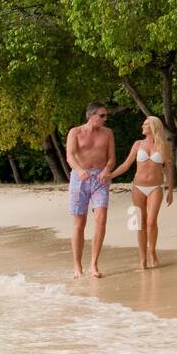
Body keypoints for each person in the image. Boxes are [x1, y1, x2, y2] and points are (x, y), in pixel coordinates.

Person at [105, 115, 174, 269]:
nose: (142, 126)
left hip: (156, 187)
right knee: (140, 224)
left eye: (145, 124)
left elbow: (168, 169)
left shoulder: (164, 146)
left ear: (153, 127)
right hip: (138, 188)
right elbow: (126, 165)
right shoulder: (138, 144)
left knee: (151, 222)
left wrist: (170, 190)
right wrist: (110, 176)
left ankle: (152, 253)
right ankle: (142, 259)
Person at [67, 102, 115, 278]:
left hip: (101, 179)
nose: (105, 119)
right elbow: (70, 156)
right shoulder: (75, 132)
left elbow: (111, 158)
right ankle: (77, 267)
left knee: (101, 219)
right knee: (79, 224)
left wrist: (107, 169)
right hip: (79, 179)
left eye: (105, 116)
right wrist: (80, 171)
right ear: (91, 115)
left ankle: (94, 265)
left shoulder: (108, 133)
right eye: (102, 116)